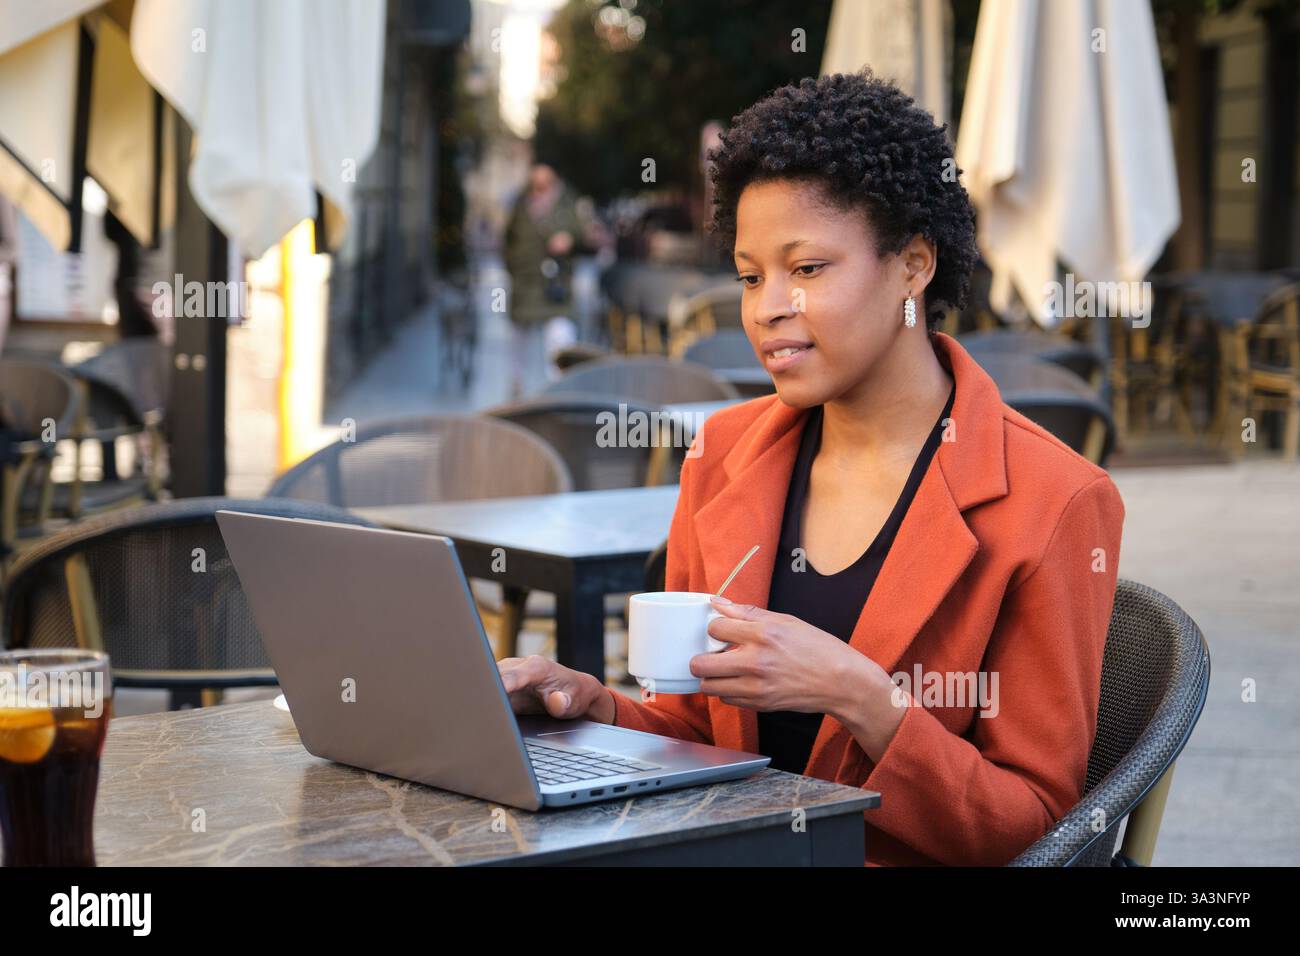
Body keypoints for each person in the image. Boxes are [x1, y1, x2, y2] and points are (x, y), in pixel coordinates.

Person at [496, 70, 1125, 866]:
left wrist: (861, 697)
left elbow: (1031, 828)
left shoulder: (1055, 501)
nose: (766, 308)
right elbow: (699, 737)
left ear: (913, 266)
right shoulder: (723, 455)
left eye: (809, 269)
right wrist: (594, 711)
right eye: (752, 276)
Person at [502, 163, 600, 398]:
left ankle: (561, 389)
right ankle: (516, 385)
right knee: (518, 339)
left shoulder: (569, 203)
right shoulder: (520, 204)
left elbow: (588, 239)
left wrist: (570, 241)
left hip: (556, 283)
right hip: (525, 281)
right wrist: (514, 266)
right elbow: (507, 240)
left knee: (560, 336)